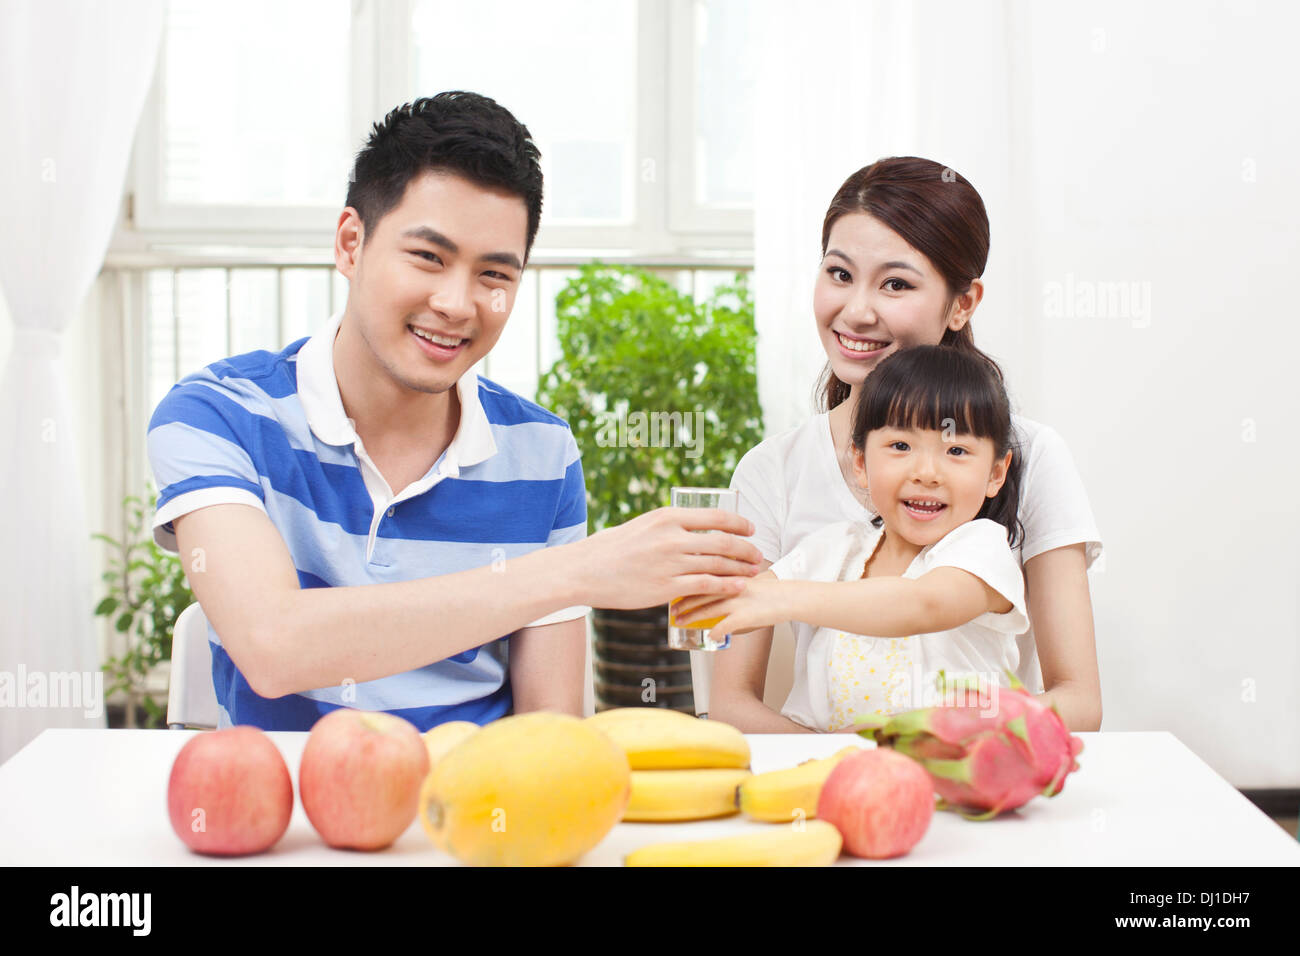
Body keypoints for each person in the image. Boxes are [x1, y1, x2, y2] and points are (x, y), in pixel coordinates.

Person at [146, 92, 761, 731]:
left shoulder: (541, 452)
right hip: (289, 821)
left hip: (472, 816)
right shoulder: (216, 415)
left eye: (495, 275)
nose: (457, 303)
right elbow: (273, 646)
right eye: (429, 257)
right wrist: (578, 572)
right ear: (351, 245)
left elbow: (548, 735)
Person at [712, 156, 1103, 733]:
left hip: (962, 785)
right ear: (861, 467)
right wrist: (853, 772)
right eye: (839, 274)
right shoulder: (776, 472)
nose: (857, 311)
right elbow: (731, 704)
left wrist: (938, 747)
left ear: (962, 303)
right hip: (825, 787)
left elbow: (1079, 704)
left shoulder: (1029, 457)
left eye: (896, 284)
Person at [672, 345, 1030, 732]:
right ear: (861, 463)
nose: (927, 473)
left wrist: (779, 598)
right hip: (830, 774)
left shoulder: (982, 549)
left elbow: (922, 604)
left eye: (956, 450)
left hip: (950, 779)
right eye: (901, 446)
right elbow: (737, 607)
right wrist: (703, 596)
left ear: (996, 472)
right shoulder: (834, 548)